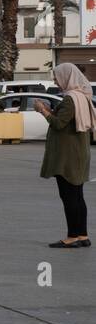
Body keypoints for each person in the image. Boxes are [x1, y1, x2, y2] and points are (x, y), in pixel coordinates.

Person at [37, 62, 95, 247]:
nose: (55, 80)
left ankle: (72, 236)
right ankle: (82, 235)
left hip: (67, 155)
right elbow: (67, 120)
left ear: (67, 76)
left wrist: (43, 111)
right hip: (79, 152)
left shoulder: (70, 98)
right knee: (77, 195)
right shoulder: (83, 97)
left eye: (57, 77)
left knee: (69, 196)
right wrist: (52, 110)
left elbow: (59, 124)